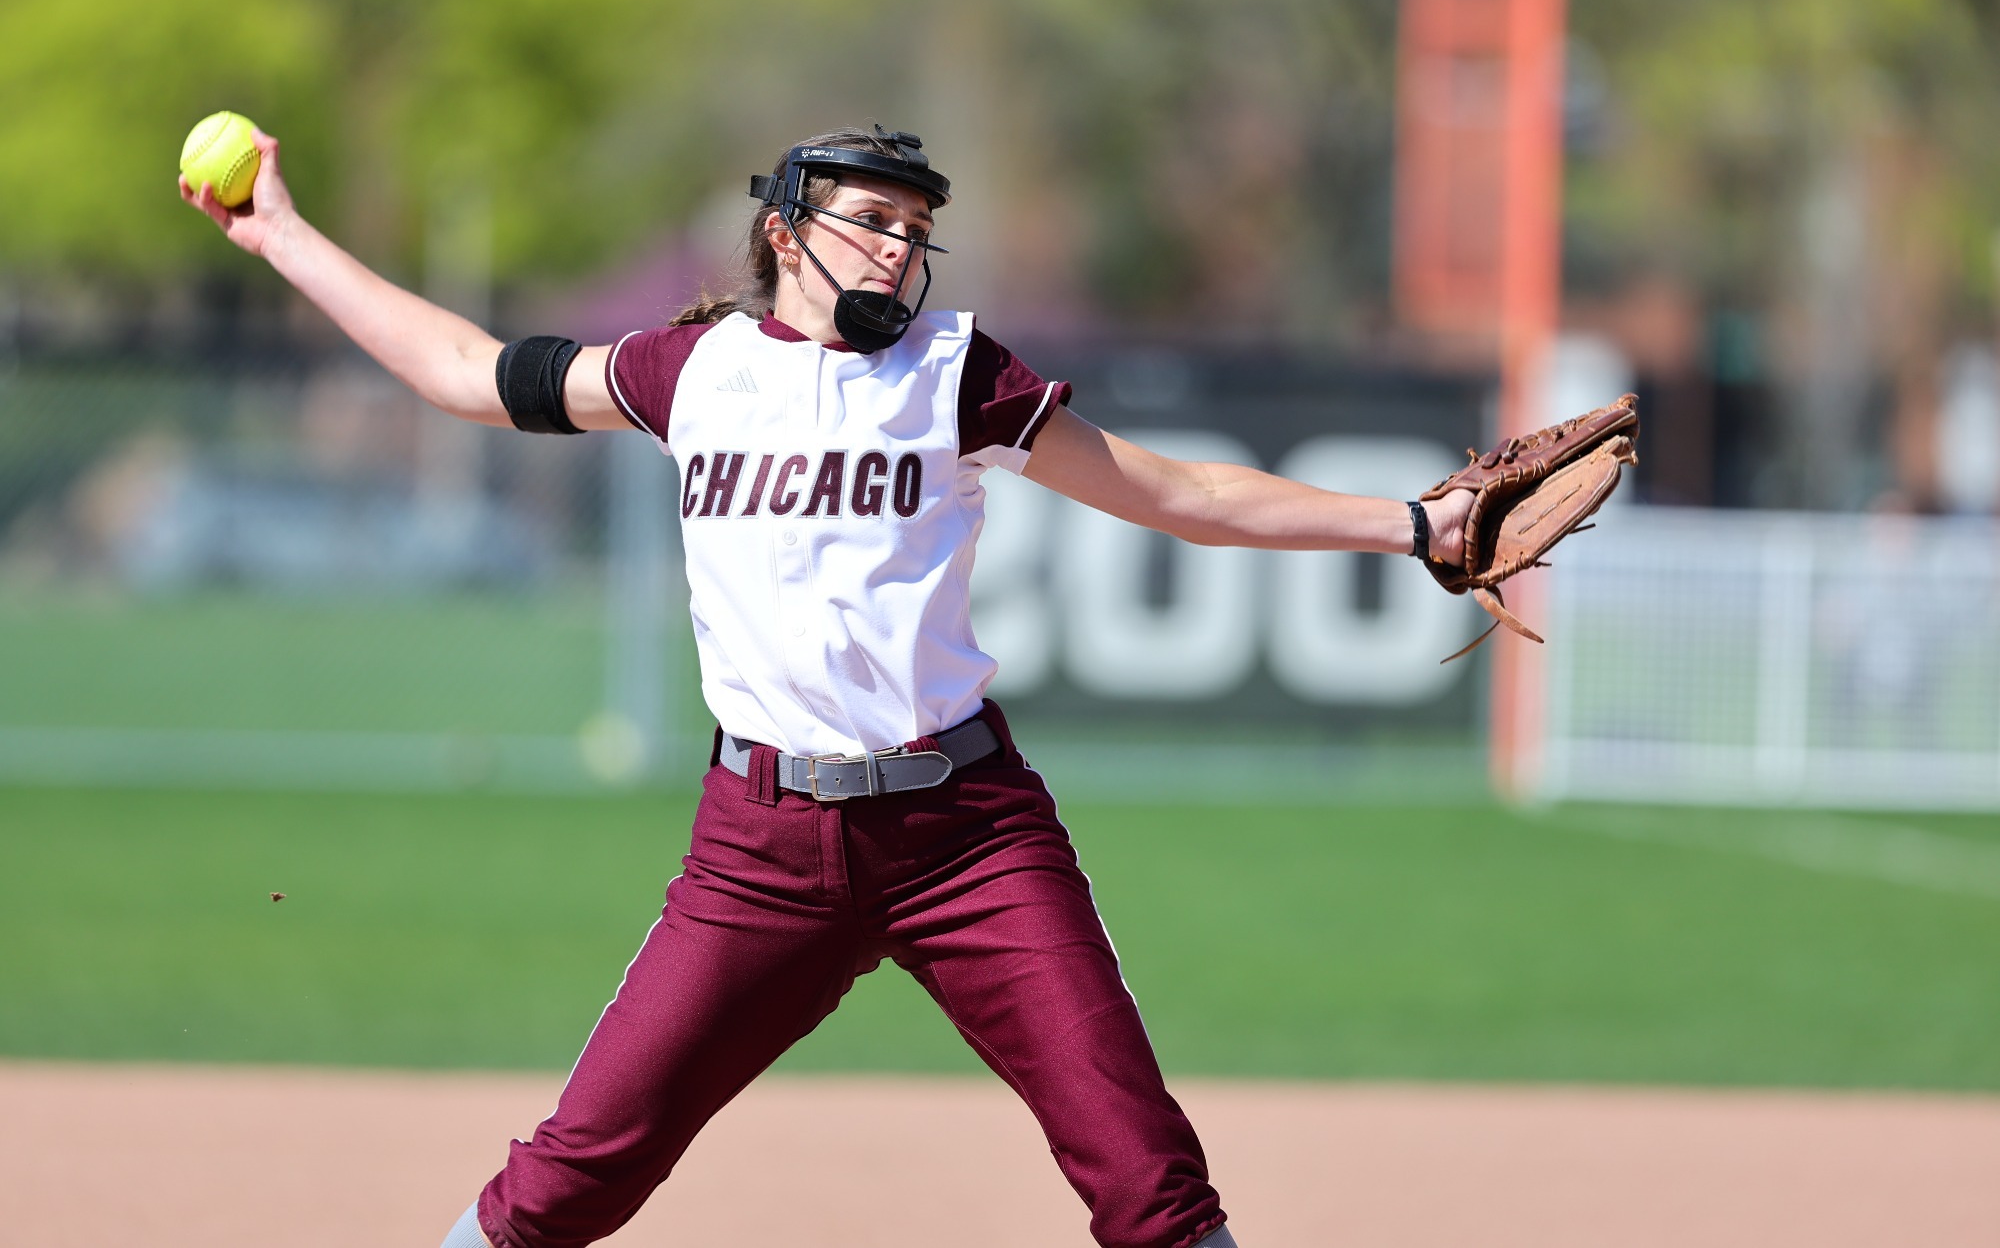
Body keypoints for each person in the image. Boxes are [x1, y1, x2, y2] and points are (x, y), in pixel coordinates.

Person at [182, 123, 1474, 1248]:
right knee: (573, 1172)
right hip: (757, 850)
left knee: (1147, 1178)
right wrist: (283, 234)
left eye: (916, 229)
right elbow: (464, 371)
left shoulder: (953, 373)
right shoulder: (689, 373)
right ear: (783, 230)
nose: (899, 249)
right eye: (870, 219)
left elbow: (1179, 492)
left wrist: (1413, 525)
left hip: (964, 834)